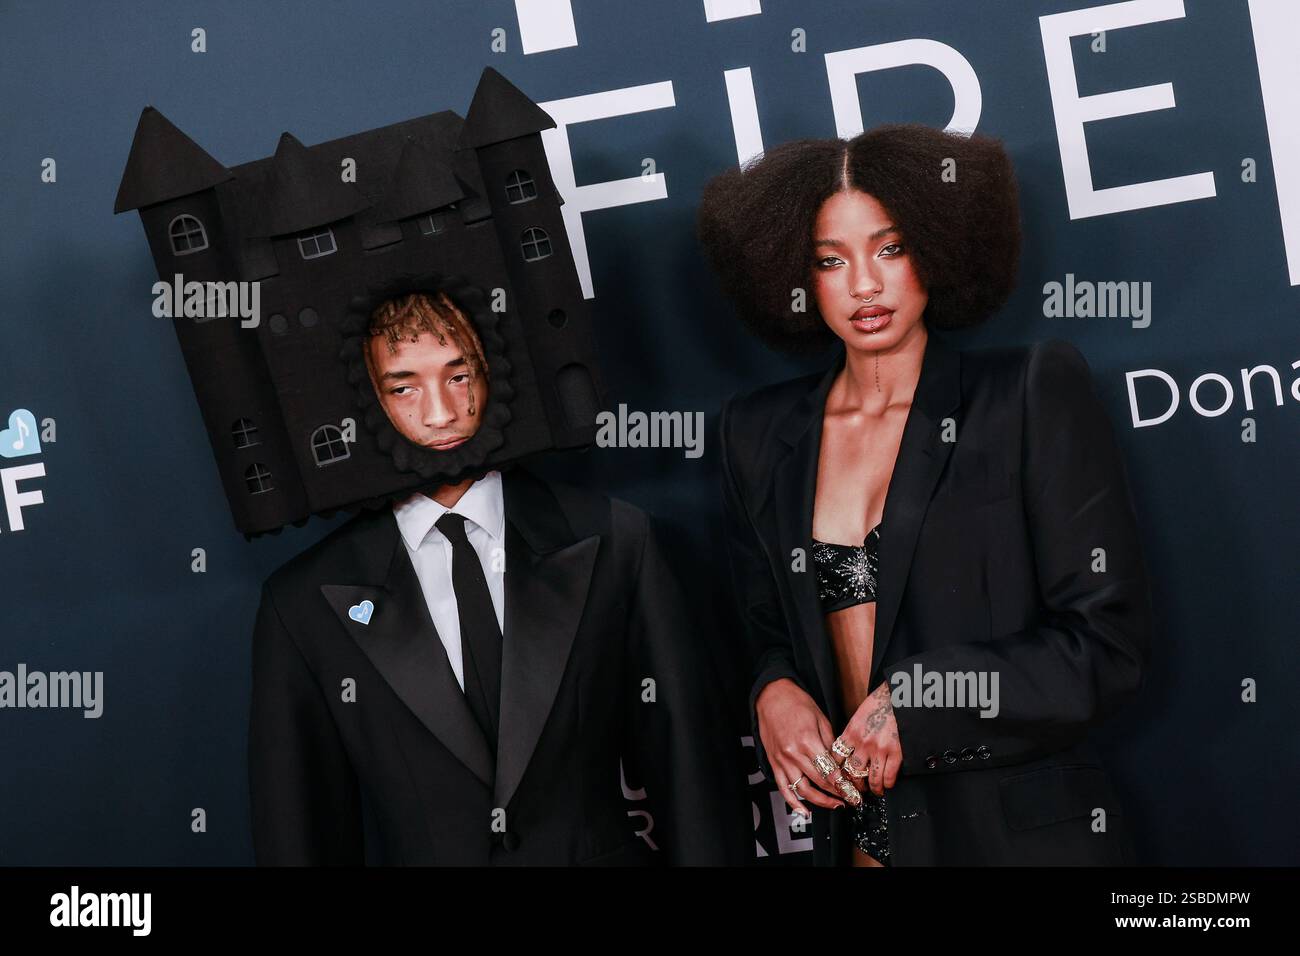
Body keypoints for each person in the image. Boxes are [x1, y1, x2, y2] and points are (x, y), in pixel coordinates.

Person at [697, 124, 1154, 866]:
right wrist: (772, 690)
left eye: (890, 248)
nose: (864, 285)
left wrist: (925, 699)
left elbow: (1104, 648)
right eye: (829, 260)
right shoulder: (757, 435)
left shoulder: (1028, 394)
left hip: (1015, 842)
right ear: (797, 274)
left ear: (937, 249)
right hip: (860, 845)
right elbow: (762, 628)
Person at [248, 290, 745, 865]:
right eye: (404, 387)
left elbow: (693, 776)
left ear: (494, 372)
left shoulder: (617, 541)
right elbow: (299, 838)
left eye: (459, 376)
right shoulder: (302, 604)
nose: (441, 413)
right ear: (366, 398)